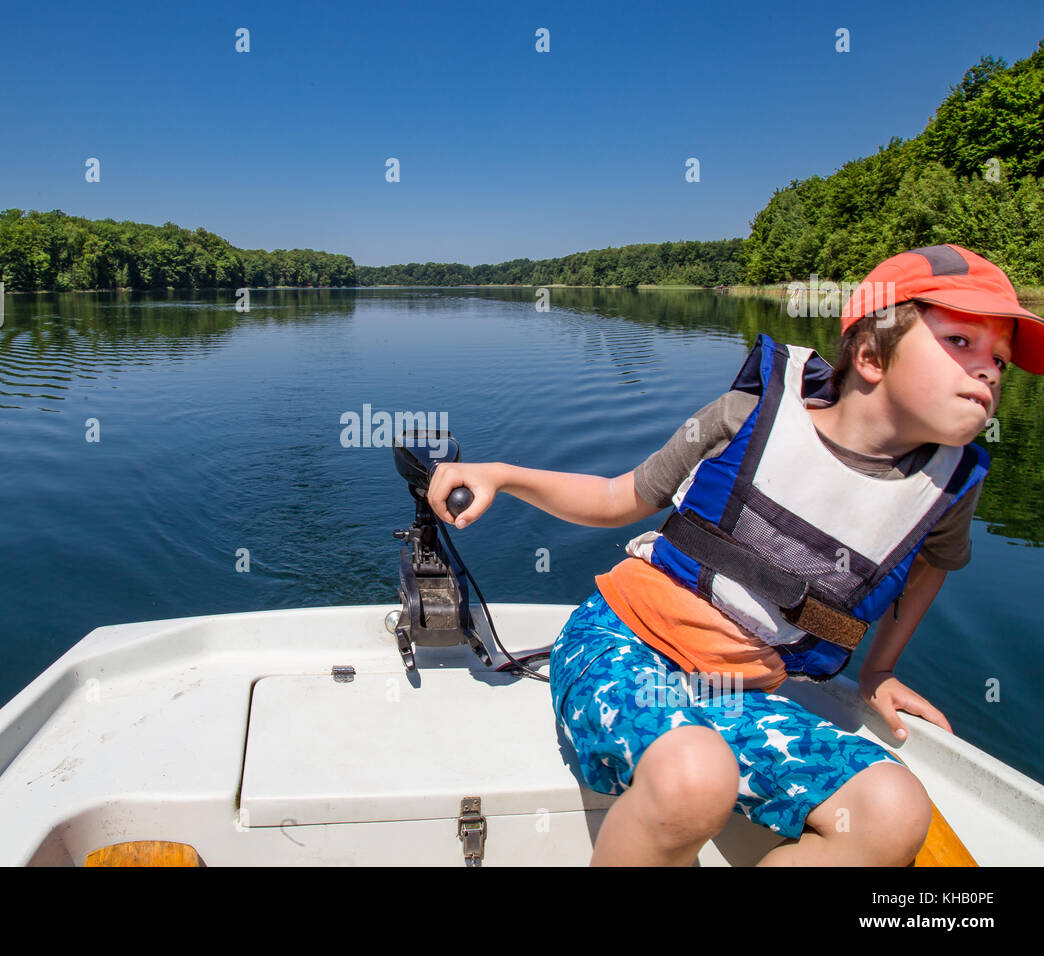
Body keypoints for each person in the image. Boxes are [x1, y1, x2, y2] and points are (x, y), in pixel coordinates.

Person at [426, 244, 1044, 865]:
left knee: (893, 811)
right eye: (962, 342)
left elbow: (928, 569)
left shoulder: (950, 486)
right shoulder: (747, 414)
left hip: (742, 692)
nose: (988, 372)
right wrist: (501, 474)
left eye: (1000, 359)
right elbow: (619, 497)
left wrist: (880, 670)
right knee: (696, 776)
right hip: (622, 646)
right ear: (869, 357)